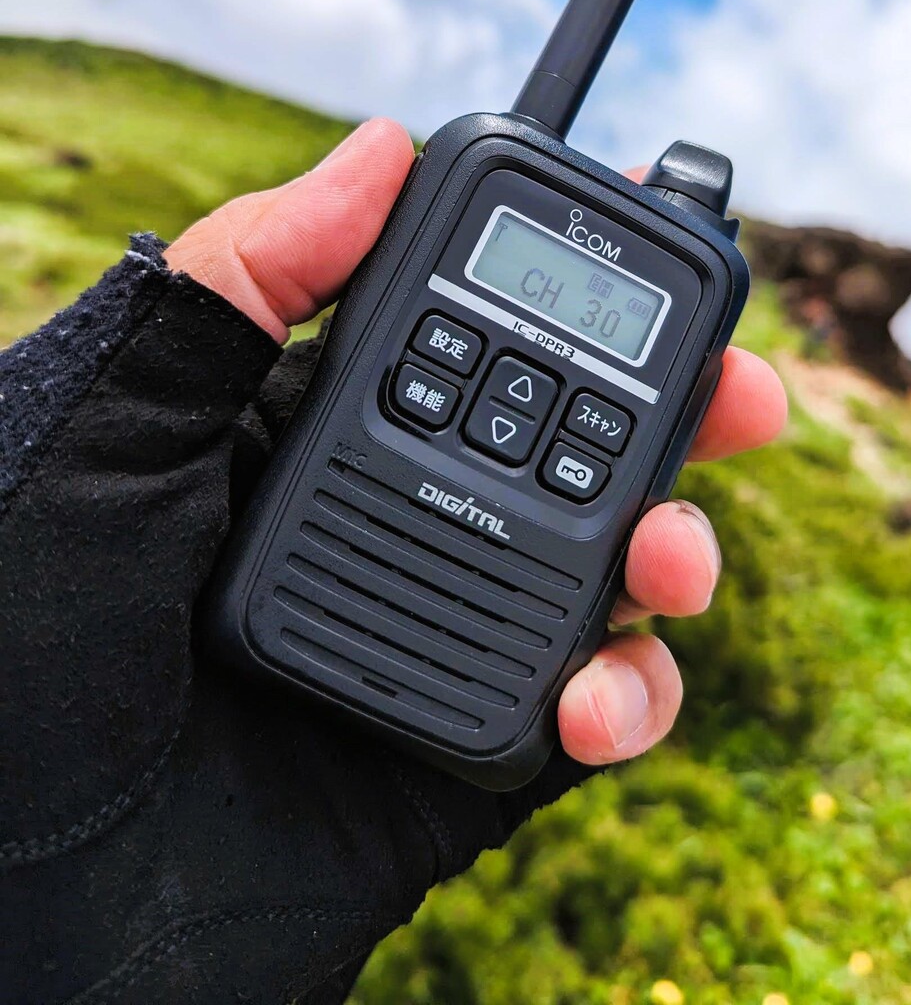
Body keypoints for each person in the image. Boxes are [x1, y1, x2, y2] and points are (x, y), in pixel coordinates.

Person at [0, 118, 786, 1004]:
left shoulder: (494, 170)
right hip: (385, 655)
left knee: (662, 566)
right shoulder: (488, 162)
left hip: (321, 627)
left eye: (610, 317)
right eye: (527, 275)